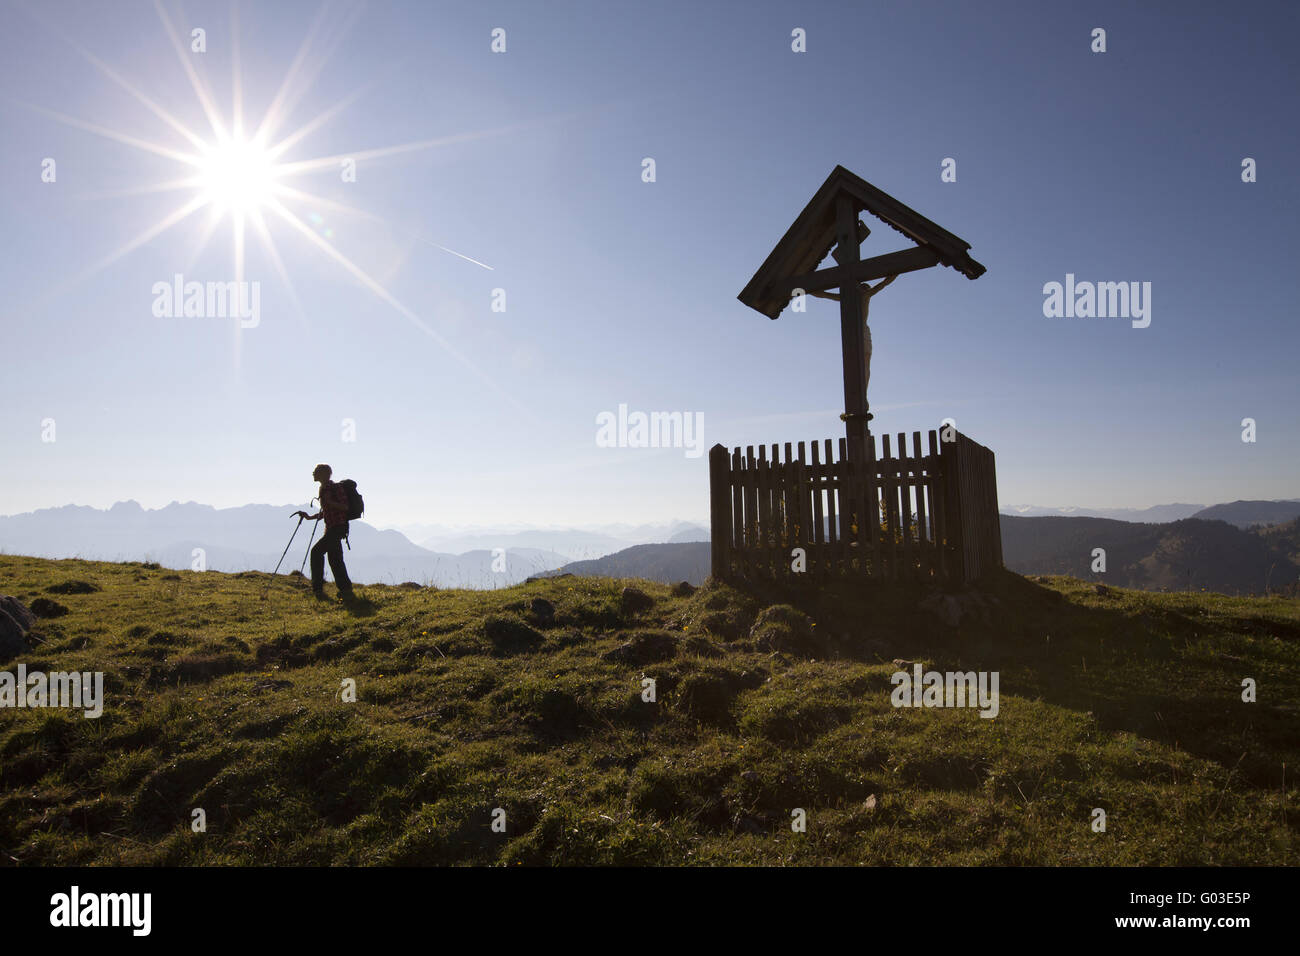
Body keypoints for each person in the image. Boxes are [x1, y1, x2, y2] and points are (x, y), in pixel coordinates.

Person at [295, 463, 354, 601]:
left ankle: (317, 589)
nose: (313, 474)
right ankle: (345, 589)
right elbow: (326, 512)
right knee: (335, 559)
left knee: (316, 552)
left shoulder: (335, 488)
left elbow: (345, 507)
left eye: (315, 471)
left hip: (337, 528)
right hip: (332, 528)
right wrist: (309, 517)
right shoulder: (324, 489)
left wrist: (329, 502)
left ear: (323, 474)